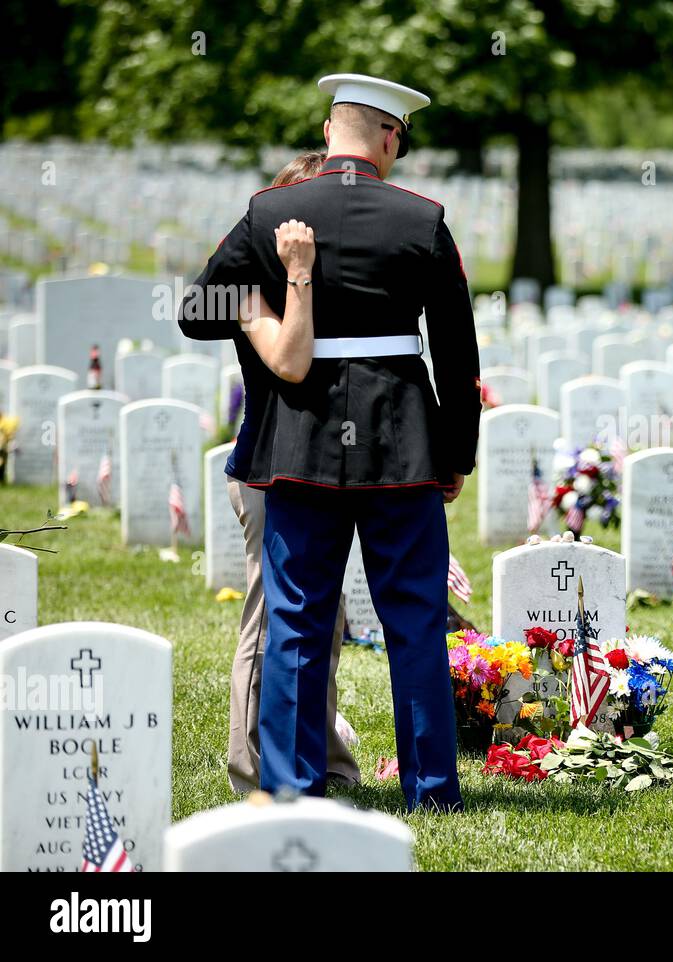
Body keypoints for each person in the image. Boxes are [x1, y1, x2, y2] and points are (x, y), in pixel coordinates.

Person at [179, 74, 480, 811]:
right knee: (413, 624)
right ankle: (432, 792)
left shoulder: (269, 211)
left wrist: (259, 307)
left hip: (298, 443)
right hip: (401, 447)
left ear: (328, 130)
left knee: (297, 622)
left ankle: (289, 784)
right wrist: (455, 454)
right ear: (389, 137)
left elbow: (195, 309)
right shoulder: (424, 218)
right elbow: (458, 355)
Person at [224, 149, 361, 795]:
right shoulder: (250, 289)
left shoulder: (337, 283)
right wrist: (300, 277)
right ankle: (253, 768)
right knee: (271, 622)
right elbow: (290, 362)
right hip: (265, 468)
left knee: (324, 622)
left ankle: (323, 760)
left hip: (324, 470)